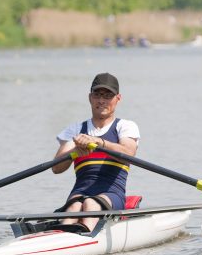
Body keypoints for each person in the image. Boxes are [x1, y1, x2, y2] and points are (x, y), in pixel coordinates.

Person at [52, 73, 140, 232]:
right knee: (74, 206)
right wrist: (75, 151)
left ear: (118, 98)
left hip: (112, 193)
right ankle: (63, 235)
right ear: (90, 98)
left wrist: (100, 142)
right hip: (79, 192)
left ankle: (83, 234)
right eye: (97, 95)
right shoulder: (76, 130)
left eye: (108, 96)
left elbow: (128, 154)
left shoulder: (125, 126)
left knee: (90, 203)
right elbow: (56, 168)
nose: (101, 100)